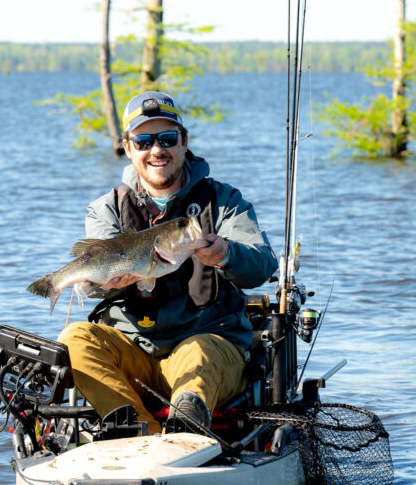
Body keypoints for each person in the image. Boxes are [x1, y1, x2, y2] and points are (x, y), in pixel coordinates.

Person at [59, 91, 278, 435]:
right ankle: (137, 432)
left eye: (167, 139)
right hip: (133, 352)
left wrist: (226, 253)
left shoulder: (223, 201)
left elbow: (263, 265)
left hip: (208, 346)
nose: (156, 150)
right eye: (143, 141)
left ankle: (185, 426)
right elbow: (92, 281)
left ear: (184, 142)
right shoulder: (106, 209)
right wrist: (101, 286)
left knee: (199, 351)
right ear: (128, 147)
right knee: (74, 339)